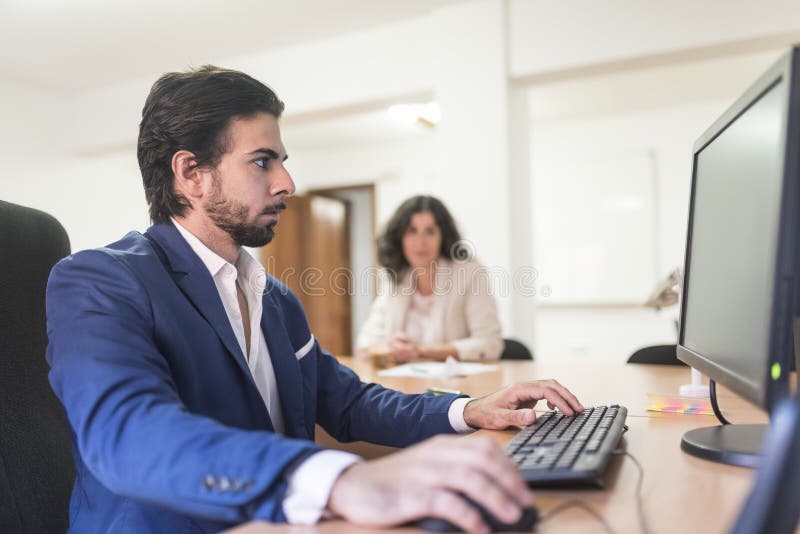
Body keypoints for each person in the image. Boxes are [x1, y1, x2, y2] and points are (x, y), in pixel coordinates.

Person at [45, 66, 583, 534]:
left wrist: (468, 409)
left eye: (282, 160)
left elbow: (347, 402)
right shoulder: (100, 281)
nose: (287, 182)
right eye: (262, 162)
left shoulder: (273, 298)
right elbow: (129, 437)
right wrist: (340, 481)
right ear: (191, 174)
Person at [357, 195, 503, 363]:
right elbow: (365, 344)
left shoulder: (469, 272)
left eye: (430, 231)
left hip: (456, 378)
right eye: (412, 231)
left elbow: (490, 344)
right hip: (403, 378)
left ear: (443, 236)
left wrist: (421, 351)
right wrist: (391, 347)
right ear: (400, 237)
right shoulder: (398, 277)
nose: (420, 242)